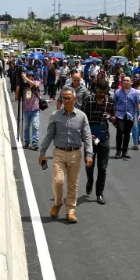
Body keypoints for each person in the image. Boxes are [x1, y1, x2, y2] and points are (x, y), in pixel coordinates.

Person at [38, 88, 94, 224]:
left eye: (69, 98)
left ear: (74, 99)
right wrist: (42, 153)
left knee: (73, 184)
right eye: (64, 98)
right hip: (59, 153)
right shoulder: (55, 116)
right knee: (58, 181)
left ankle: (70, 211)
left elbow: (87, 137)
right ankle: (57, 203)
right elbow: (49, 135)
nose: (66, 100)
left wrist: (89, 154)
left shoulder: (81, 116)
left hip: (75, 154)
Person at [82, 79, 114, 205]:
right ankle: (90, 179)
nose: (101, 94)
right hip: (90, 136)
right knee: (89, 163)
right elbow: (82, 120)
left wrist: (112, 118)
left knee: (103, 168)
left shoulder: (110, 101)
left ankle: (99, 193)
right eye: (99, 92)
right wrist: (88, 135)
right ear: (95, 90)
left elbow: (113, 117)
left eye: (104, 92)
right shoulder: (88, 100)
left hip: (103, 137)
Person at [113, 75, 140, 159]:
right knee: (120, 132)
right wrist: (113, 115)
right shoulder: (118, 92)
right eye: (124, 80)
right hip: (119, 116)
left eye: (127, 80)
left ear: (131, 82)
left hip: (130, 116)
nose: (126, 82)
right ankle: (118, 151)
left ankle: (124, 152)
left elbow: (139, 104)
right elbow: (113, 104)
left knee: (127, 134)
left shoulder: (135, 92)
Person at [19, 71, 42, 150]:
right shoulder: (24, 84)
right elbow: (18, 93)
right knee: (26, 127)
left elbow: (34, 85)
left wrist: (25, 78)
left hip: (35, 109)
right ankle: (27, 142)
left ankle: (34, 143)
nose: (29, 77)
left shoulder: (37, 82)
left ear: (33, 76)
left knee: (35, 126)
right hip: (26, 108)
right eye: (28, 76)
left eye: (30, 76)